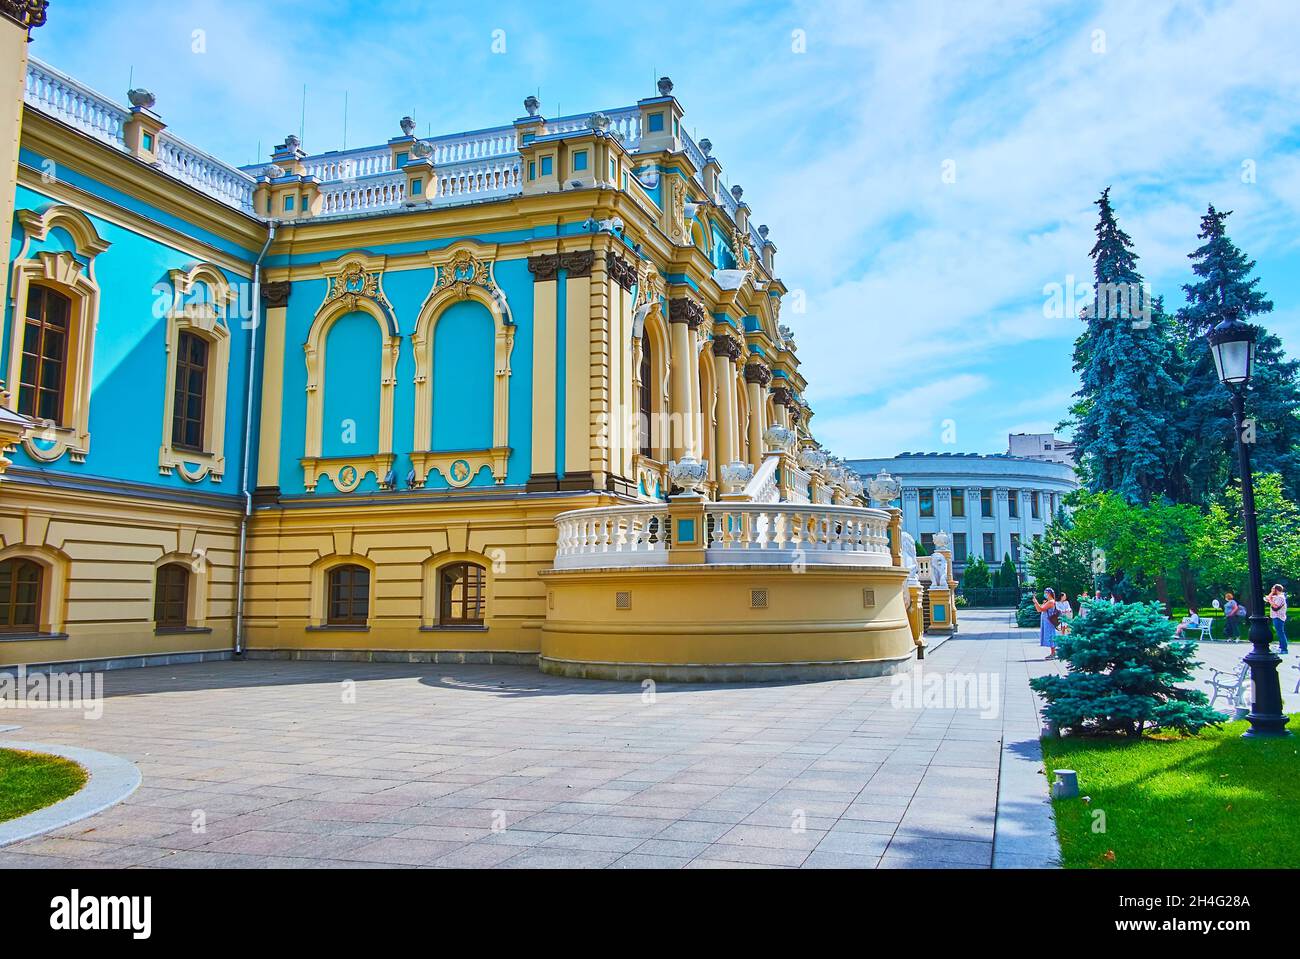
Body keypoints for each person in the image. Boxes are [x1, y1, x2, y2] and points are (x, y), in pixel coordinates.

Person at [1033, 588, 1060, 660]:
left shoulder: (1051, 602)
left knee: (1051, 635)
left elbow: (1041, 609)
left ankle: (1053, 653)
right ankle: (1053, 653)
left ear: (1049, 593)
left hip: (1049, 622)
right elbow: (1039, 609)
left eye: (1046, 593)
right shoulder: (1048, 601)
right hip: (1046, 621)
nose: (1045, 594)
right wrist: (1036, 603)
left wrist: (1036, 602)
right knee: (1050, 635)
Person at [1267, 585, 1289, 654]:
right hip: (1276, 616)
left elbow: (1275, 606)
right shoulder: (1277, 596)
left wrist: (1270, 600)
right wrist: (1271, 593)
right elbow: (1268, 597)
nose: (1272, 590)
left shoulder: (1280, 597)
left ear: (1276, 589)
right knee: (1279, 632)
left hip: (1278, 617)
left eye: (1273, 589)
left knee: (1280, 633)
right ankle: (1281, 647)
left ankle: (1284, 649)